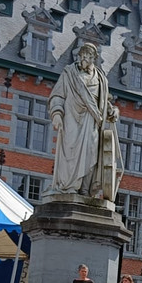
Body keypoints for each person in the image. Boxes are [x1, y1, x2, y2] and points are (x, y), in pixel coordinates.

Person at [49, 42, 121, 201]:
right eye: (82, 56)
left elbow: (103, 101)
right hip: (71, 118)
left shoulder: (100, 78)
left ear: (94, 59)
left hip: (92, 120)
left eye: (88, 57)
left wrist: (113, 111)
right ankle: (69, 187)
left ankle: (85, 190)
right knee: (71, 152)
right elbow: (58, 95)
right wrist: (57, 113)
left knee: (91, 153)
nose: (84, 60)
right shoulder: (69, 73)